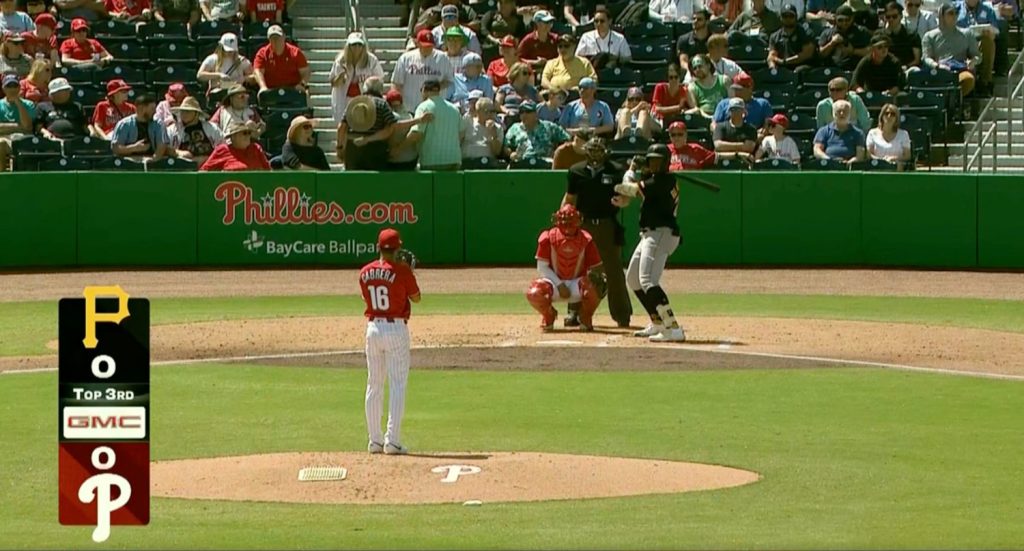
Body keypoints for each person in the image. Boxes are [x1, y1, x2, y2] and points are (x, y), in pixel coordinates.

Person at [612, 144, 686, 342]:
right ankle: (657, 322)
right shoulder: (659, 180)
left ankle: (673, 328)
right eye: (651, 160)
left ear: (666, 162)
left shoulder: (663, 181)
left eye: (657, 160)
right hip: (650, 233)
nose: (653, 163)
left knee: (647, 281)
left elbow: (627, 188)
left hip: (661, 233)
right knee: (633, 279)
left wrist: (631, 170)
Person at [359, 227, 421, 456]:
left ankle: (374, 440)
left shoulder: (364, 272)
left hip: (373, 328)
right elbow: (417, 297)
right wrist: (408, 274)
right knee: (397, 384)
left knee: (374, 384)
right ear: (397, 248)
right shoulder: (402, 271)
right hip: (395, 329)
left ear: (378, 247)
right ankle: (392, 441)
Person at [563, 137, 632, 328]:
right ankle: (573, 312)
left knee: (613, 270)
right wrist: (565, 219)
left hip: (606, 224)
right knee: (578, 268)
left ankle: (622, 314)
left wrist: (624, 201)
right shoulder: (576, 171)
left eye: (598, 151)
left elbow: (626, 196)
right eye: (591, 150)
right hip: (583, 224)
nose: (595, 155)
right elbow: (570, 198)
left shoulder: (616, 170)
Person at [526, 203, 602, 331]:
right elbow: (542, 267)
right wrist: (560, 285)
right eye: (564, 221)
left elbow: (596, 267)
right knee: (534, 293)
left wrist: (593, 283)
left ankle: (585, 316)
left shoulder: (586, 239)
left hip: (576, 283)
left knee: (598, 283)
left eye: (570, 221)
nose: (567, 225)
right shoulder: (548, 238)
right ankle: (549, 315)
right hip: (554, 283)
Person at [922, 4, 983, 97]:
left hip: (960, 70)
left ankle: (953, 100)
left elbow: (977, 55)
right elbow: (926, 58)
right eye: (950, 13)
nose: (954, 16)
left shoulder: (967, 34)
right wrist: (937, 65)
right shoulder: (929, 36)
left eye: (956, 13)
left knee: (968, 79)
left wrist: (973, 61)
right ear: (941, 16)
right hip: (938, 70)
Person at [337, 80, 397, 170]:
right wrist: (369, 139)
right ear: (380, 90)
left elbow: (341, 127)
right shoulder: (382, 104)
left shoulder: (354, 103)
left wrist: (339, 147)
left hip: (353, 148)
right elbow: (391, 127)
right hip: (376, 149)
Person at [391, 28, 454, 113]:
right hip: (410, 109)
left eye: (430, 46)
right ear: (418, 44)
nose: (427, 49)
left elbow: (449, 81)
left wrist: (436, 87)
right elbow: (396, 83)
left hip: (435, 110)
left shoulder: (443, 58)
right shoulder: (405, 59)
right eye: (424, 46)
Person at [329, 32, 384, 126]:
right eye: (354, 45)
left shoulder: (371, 60)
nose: (357, 47)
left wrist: (370, 82)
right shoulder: (341, 60)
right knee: (343, 126)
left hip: (363, 99)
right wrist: (341, 76)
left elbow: (380, 78)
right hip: (344, 99)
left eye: (360, 45)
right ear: (348, 46)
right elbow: (333, 82)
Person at [405, 78, 462, 170]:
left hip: (431, 160)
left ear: (425, 90)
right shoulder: (454, 109)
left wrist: (399, 148)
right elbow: (461, 133)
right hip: (454, 159)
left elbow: (417, 133)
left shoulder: (423, 107)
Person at [504, 99, 570, 161]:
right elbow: (506, 146)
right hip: (522, 162)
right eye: (521, 112)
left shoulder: (549, 126)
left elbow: (567, 139)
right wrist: (511, 154)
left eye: (528, 112)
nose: (524, 115)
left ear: (535, 113)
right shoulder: (514, 128)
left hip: (545, 162)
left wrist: (557, 153)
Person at [110, 94, 172, 160]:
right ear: (141, 108)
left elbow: (162, 145)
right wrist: (134, 148)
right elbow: (115, 148)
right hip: (128, 161)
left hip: (152, 160)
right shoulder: (124, 124)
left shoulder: (159, 124)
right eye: (152, 109)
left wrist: (153, 159)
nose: (154, 112)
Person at [955, 0, 998, 96]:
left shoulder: (988, 10)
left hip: (980, 42)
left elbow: (994, 33)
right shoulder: (955, 9)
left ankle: (985, 82)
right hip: (961, 43)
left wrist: (989, 34)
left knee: (989, 43)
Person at [166, 95, 222, 165]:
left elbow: (222, 148)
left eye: (188, 111)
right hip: (180, 167)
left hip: (209, 166)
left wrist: (207, 159)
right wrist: (178, 153)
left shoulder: (212, 129)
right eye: (182, 111)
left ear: (197, 113)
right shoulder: (172, 130)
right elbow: (164, 147)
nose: (184, 114)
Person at [254, 25, 310, 92]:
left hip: (293, 89)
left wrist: (302, 84)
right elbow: (258, 71)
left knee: (305, 92)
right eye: (273, 38)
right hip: (271, 90)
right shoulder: (262, 53)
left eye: (278, 37)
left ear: (284, 37)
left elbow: (305, 72)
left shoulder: (296, 52)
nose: (276, 40)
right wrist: (263, 86)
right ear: (269, 40)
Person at [817, 5, 871, 71]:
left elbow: (870, 52)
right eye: (840, 20)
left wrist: (853, 51)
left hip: (854, 69)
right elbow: (821, 55)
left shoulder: (861, 32)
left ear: (852, 18)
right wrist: (832, 43)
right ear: (835, 18)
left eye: (847, 20)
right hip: (831, 69)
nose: (844, 23)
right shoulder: (827, 33)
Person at [200, 120, 271, 170]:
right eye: (244, 133)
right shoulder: (222, 150)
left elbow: (268, 171)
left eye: (249, 133)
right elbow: (204, 171)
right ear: (233, 137)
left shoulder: (256, 149)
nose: (248, 136)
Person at [813, 99, 865, 163]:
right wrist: (829, 160)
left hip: (850, 167)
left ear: (850, 114)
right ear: (833, 113)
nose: (842, 113)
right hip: (829, 166)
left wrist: (850, 162)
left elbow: (860, 155)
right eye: (839, 111)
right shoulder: (824, 131)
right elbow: (817, 150)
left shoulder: (858, 133)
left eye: (845, 111)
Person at [0, 72, 34, 171]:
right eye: (9, 86)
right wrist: (18, 126)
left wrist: (19, 104)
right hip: (4, 139)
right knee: (0, 142)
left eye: (15, 86)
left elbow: (28, 127)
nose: (12, 89)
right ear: (3, 88)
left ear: (19, 88)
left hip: (24, 138)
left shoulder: (28, 104)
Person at [767, 4, 816, 71]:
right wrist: (772, 66)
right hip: (783, 67)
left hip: (802, 67)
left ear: (796, 17)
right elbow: (772, 55)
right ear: (780, 18)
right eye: (785, 16)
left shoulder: (805, 33)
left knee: (798, 70)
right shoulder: (775, 36)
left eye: (791, 16)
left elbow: (806, 54)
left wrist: (785, 61)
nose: (788, 19)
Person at [865, 102, 911, 168]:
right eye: (886, 113)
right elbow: (869, 154)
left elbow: (907, 156)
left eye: (892, 114)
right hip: (877, 167)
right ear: (882, 116)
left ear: (896, 118)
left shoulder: (903, 134)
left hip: (897, 168)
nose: (889, 116)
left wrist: (894, 158)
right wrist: (882, 161)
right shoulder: (872, 133)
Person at [713, 96, 757, 162]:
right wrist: (741, 147)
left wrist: (726, 146)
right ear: (729, 111)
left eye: (738, 109)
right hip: (723, 161)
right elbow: (718, 146)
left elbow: (749, 148)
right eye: (733, 110)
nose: (736, 112)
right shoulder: (720, 126)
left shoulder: (751, 129)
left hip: (745, 162)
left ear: (743, 111)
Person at [881, 2, 921, 70]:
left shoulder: (912, 35)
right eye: (888, 17)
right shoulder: (880, 35)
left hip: (906, 70)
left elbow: (917, 60)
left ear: (901, 16)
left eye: (894, 16)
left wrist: (905, 67)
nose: (891, 19)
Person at [460, 96, 501, 162]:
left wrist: (493, 135)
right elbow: (458, 141)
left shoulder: (497, 128)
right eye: (487, 111)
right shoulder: (468, 123)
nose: (490, 114)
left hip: (487, 162)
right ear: (478, 112)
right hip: (468, 161)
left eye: (492, 111)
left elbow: (496, 152)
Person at [676, 8, 711, 73]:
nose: (695, 21)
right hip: (691, 74)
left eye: (699, 19)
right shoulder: (684, 39)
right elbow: (683, 62)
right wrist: (694, 71)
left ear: (707, 21)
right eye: (693, 19)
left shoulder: (713, 39)